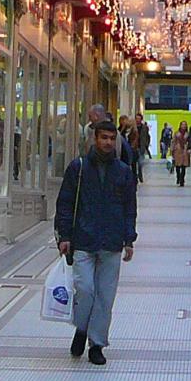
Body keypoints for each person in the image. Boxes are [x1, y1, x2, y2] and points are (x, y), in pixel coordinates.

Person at [55, 120, 137, 366]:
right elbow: (65, 203)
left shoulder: (123, 171)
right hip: (83, 239)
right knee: (85, 290)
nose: (108, 142)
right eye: (104, 137)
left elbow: (130, 208)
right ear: (95, 138)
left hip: (111, 241)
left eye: (112, 138)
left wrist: (129, 238)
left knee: (105, 296)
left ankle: (97, 343)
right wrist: (64, 236)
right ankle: (81, 329)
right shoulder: (78, 168)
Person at [171, 120, 190, 186]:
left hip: (185, 150)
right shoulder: (176, 133)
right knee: (177, 165)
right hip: (177, 150)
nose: (184, 126)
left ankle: (182, 179)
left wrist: (189, 149)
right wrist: (172, 149)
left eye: (185, 125)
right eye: (182, 124)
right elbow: (173, 141)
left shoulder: (188, 134)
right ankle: (178, 177)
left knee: (184, 166)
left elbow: (190, 142)